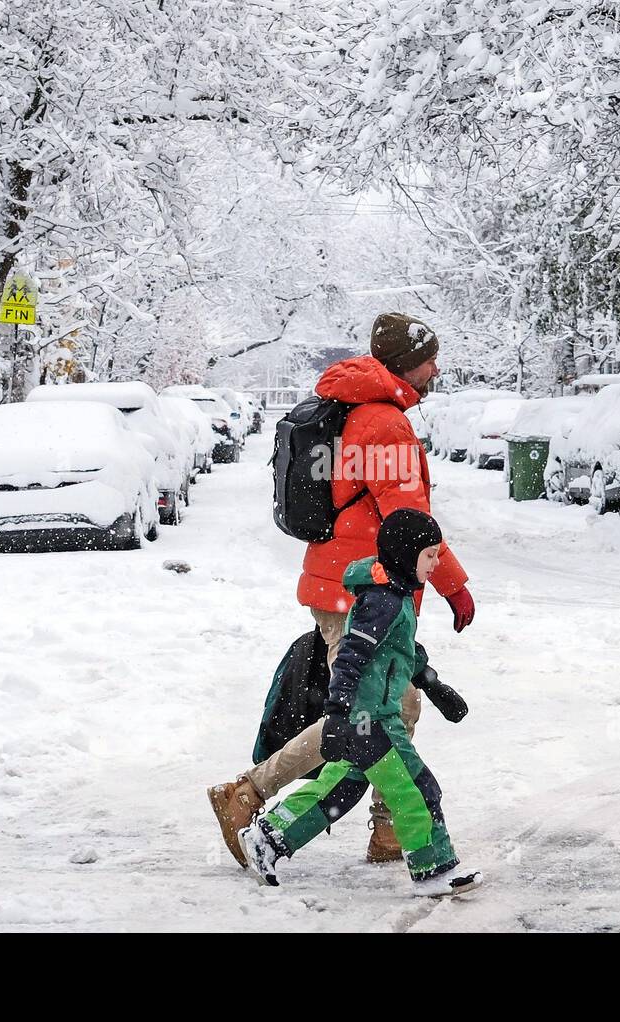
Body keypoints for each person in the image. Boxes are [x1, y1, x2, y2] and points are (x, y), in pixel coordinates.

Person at [208, 312, 476, 864]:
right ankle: (250, 792)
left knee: (391, 708)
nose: (436, 368)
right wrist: (455, 586)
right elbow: (411, 523)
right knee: (371, 716)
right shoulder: (383, 423)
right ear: (406, 362)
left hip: (356, 583)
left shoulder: (368, 411)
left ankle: (391, 830)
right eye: (429, 359)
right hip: (362, 590)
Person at [238, 509, 482, 898]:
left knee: (339, 791)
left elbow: (402, 652)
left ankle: (268, 837)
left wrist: (434, 686)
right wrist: (337, 714)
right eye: (430, 555)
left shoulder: (396, 594)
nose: (437, 564)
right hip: (372, 720)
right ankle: (432, 867)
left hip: (370, 716)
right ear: (406, 553)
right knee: (417, 789)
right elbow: (351, 658)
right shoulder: (381, 602)